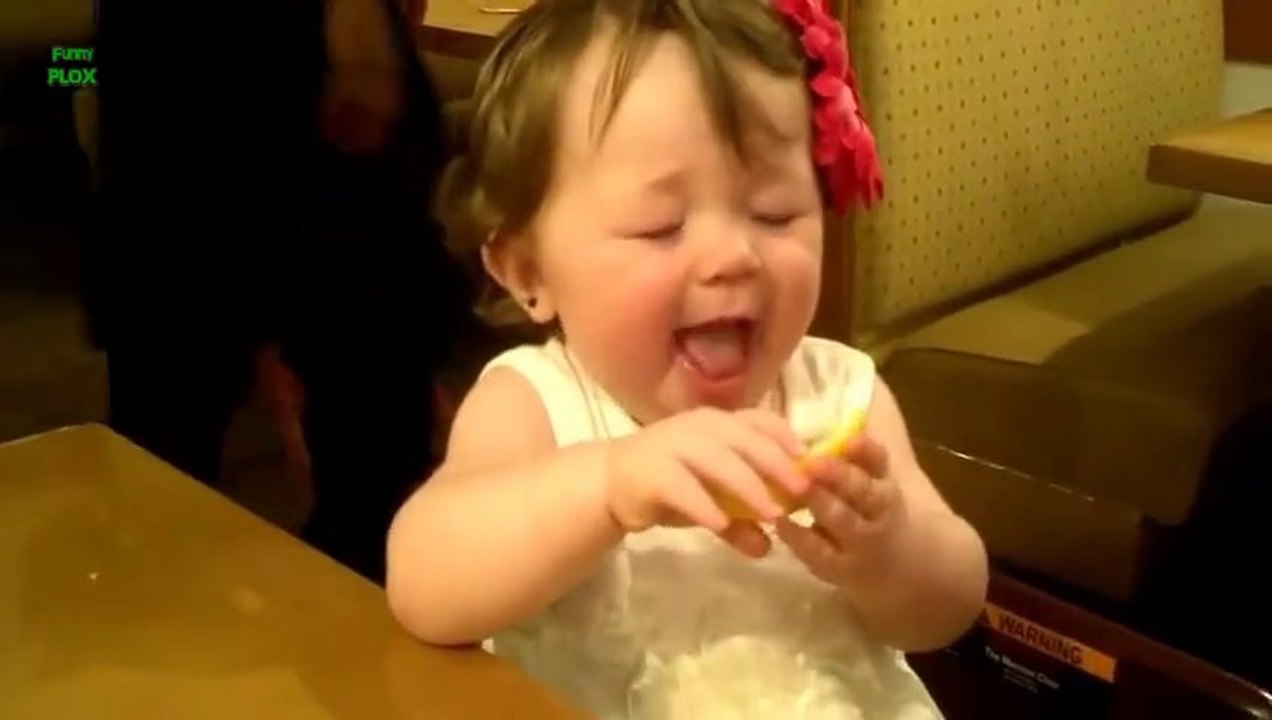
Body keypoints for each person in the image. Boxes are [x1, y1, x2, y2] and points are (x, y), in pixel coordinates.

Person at [384, 0, 988, 716]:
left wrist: (891, 553)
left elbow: (951, 605)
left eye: (774, 212)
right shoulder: (535, 404)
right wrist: (607, 486)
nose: (733, 255)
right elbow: (425, 586)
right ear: (527, 271)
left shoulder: (837, 397)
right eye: (660, 226)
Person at [86, 0, 472, 583]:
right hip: (212, 71)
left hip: (208, 77)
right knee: (177, 382)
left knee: (363, 415)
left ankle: (355, 579)